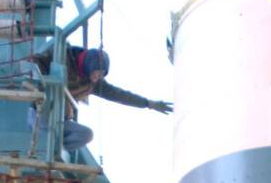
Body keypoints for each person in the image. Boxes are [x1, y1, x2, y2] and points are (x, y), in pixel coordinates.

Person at [29, 45, 172, 153]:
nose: (98, 77)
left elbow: (119, 94)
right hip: (42, 111)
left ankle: (54, 152)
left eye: (102, 75)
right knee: (47, 134)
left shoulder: (93, 84)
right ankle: (44, 149)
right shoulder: (62, 56)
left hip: (61, 119)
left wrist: (147, 103)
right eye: (97, 72)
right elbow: (36, 62)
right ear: (89, 64)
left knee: (86, 134)